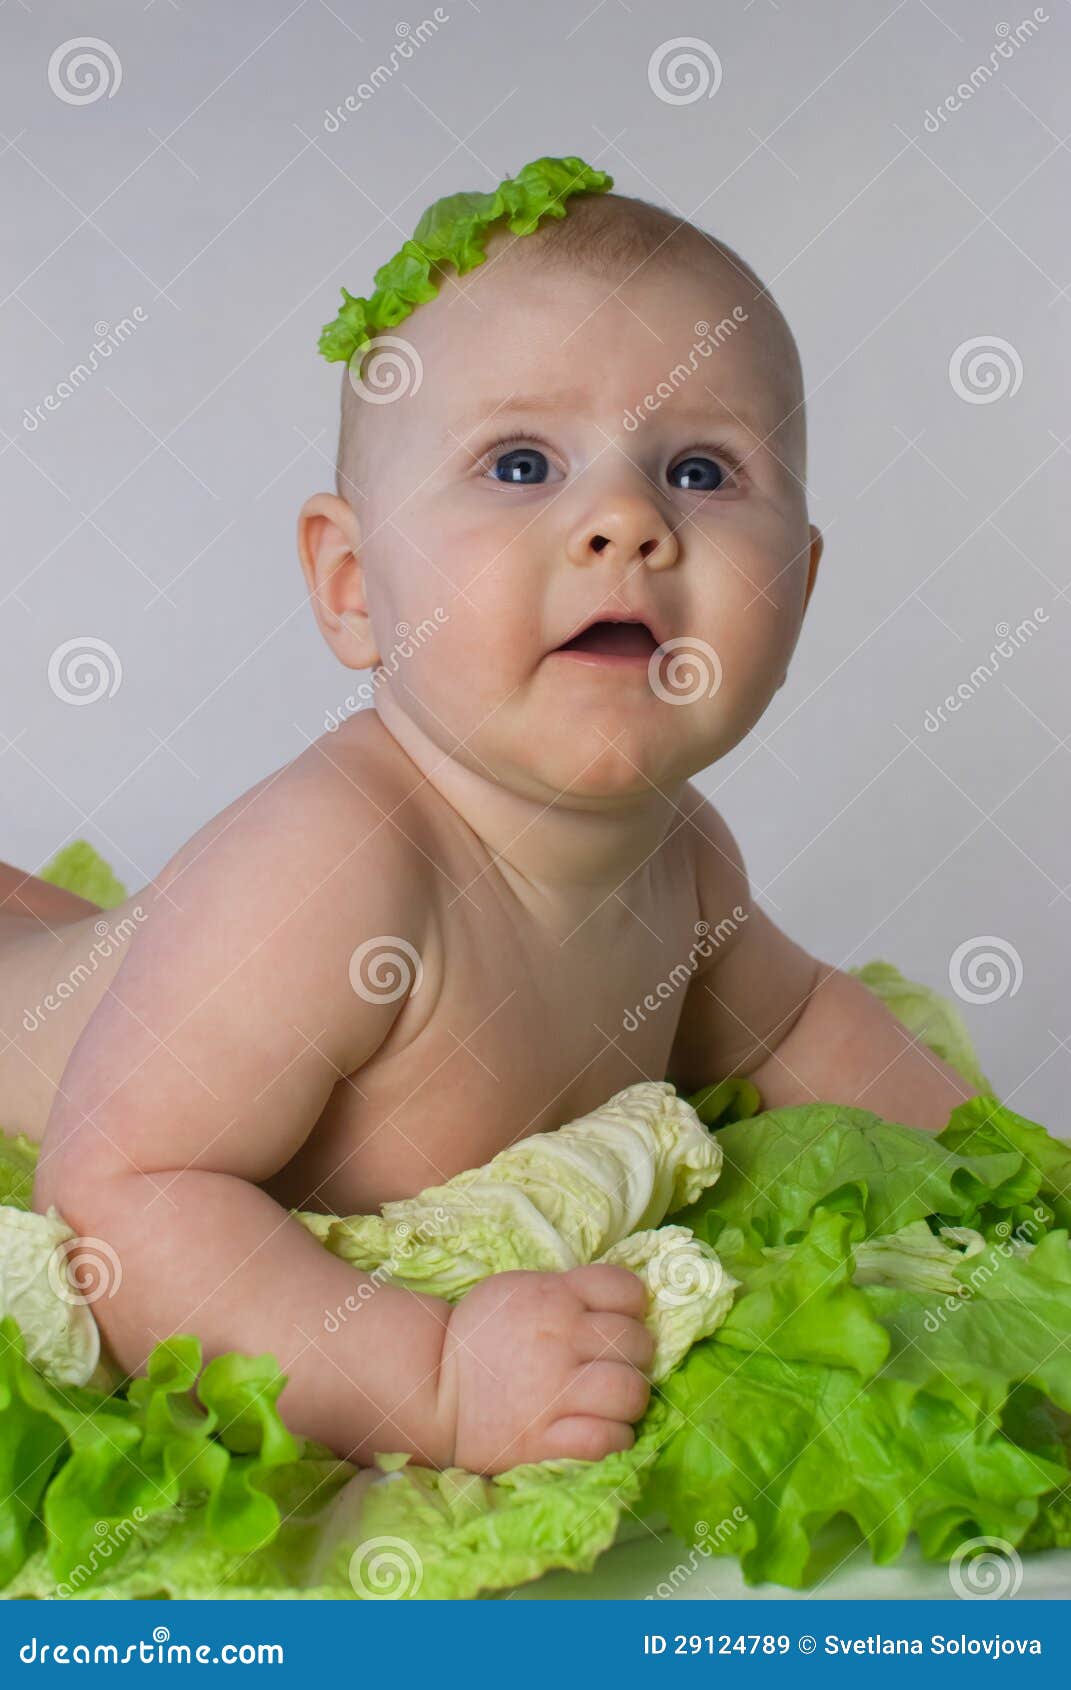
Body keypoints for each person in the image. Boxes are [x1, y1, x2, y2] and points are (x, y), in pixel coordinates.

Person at [0, 159, 976, 1477]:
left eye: (700, 467)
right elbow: (121, 1195)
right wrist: (434, 1377)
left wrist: (998, 1180)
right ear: (354, 585)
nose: (625, 520)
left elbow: (799, 1026)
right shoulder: (338, 869)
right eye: (522, 462)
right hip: (60, 1080)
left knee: (114, 944)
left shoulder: (684, 858)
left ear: (798, 590)